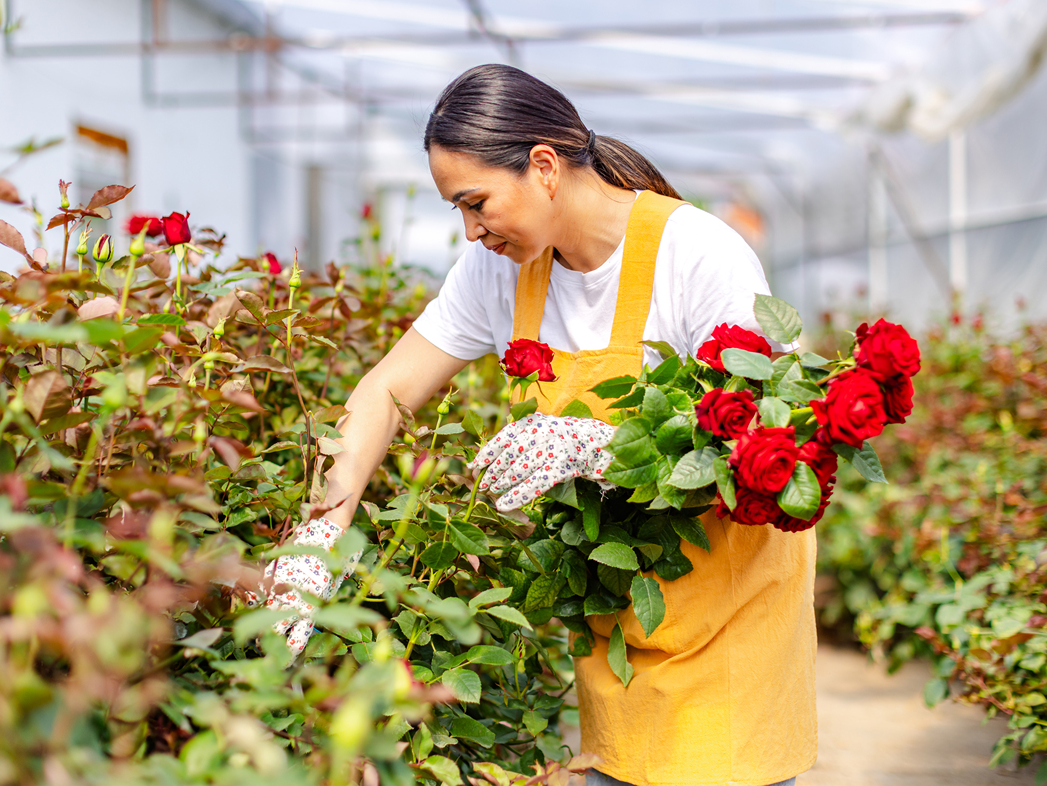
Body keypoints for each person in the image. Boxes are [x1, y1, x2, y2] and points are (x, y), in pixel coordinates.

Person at [264, 63, 815, 786]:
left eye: (476, 202)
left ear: (545, 167)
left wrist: (600, 443)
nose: (470, 230)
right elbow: (383, 392)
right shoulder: (498, 270)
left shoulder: (696, 254)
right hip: (618, 623)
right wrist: (318, 536)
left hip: (728, 625)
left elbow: (760, 446)